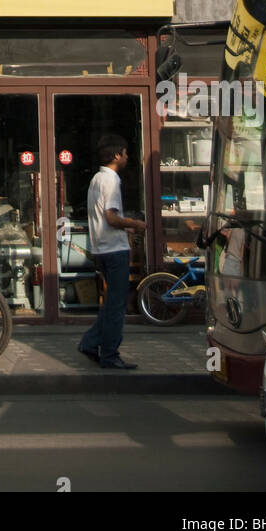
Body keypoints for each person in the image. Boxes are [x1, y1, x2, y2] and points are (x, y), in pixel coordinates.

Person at [77, 135, 146, 370]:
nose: (127, 157)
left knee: (111, 303)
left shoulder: (96, 179)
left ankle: (91, 342)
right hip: (114, 249)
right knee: (117, 306)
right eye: (125, 153)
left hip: (101, 248)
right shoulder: (112, 180)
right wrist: (135, 224)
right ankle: (109, 354)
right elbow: (111, 216)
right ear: (117, 155)